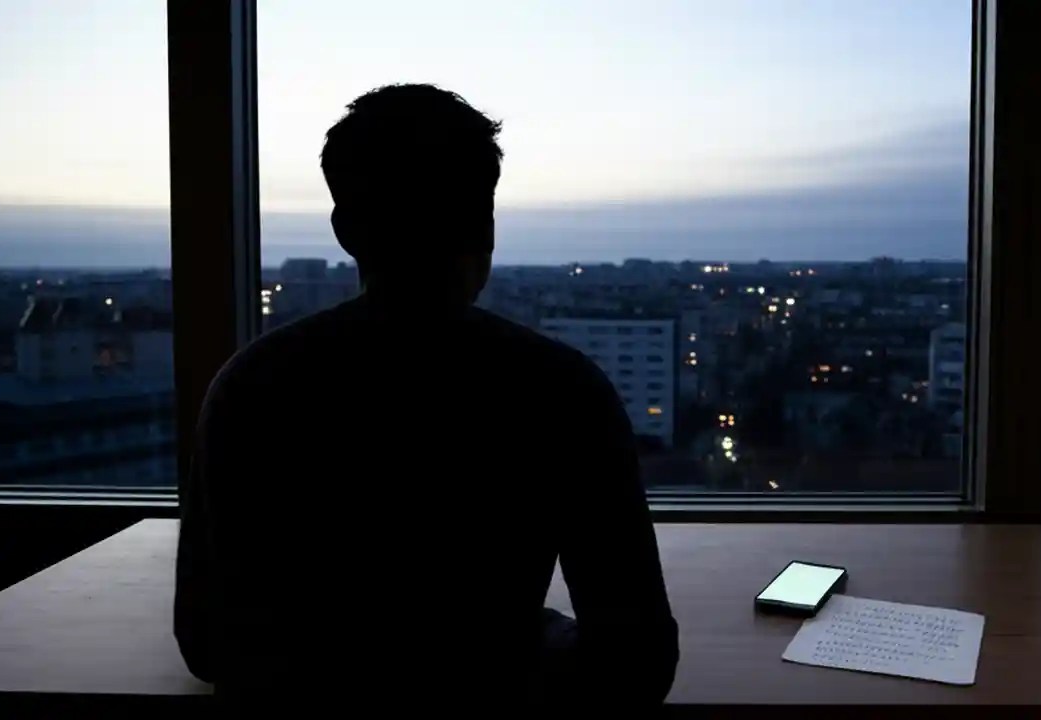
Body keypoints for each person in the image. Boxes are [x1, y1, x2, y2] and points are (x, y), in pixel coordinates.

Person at [174, 84, 678, 708]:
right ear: (485, 225)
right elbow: (637, 659)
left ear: (346, 231)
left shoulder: (251, 387)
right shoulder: (560, 390)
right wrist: (531, 633)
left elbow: (206, 643)